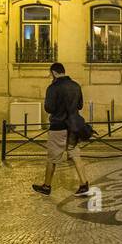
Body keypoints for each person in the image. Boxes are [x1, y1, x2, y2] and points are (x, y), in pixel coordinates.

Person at [33, 62, 90, 197]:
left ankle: (46, 186)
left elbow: (49, 108)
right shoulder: (76, 86)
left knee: (52, 158)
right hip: (73, 126)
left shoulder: (53, 88)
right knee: (75, 154)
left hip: (58, 126)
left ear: (54, 72)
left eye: (50, 73)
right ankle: (83, 183)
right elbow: (80, 106)